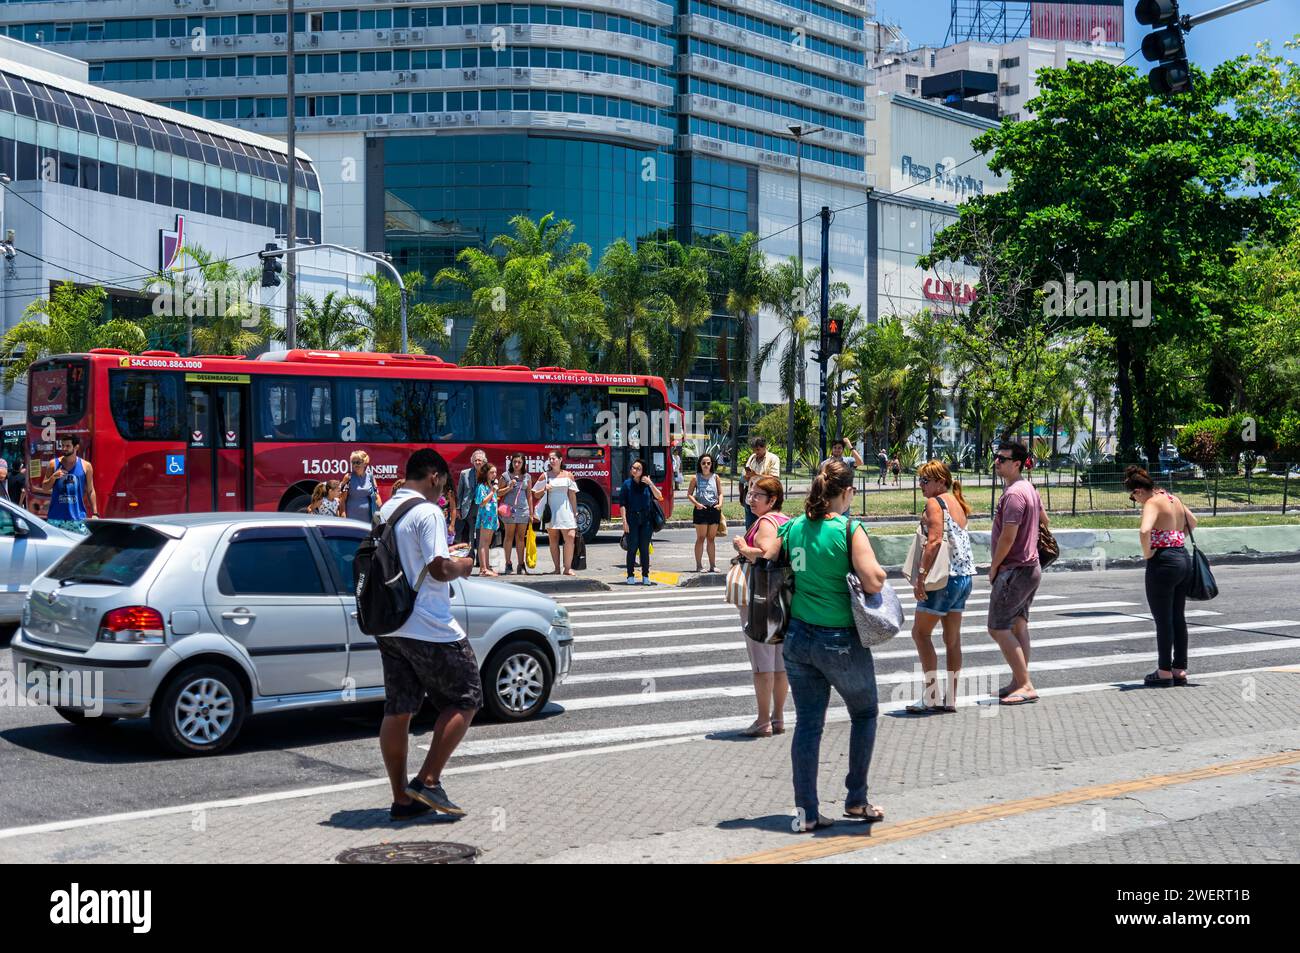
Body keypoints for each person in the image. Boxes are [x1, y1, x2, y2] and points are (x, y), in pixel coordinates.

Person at [760, 460, 888, 831]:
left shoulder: (796, 527)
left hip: (798, 638)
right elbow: (873, 581)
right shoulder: (849, 528)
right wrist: (878, 572)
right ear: (846, 492)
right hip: (839, 639)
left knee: (808, 724)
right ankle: (857, 798)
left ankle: (806, 812)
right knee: (864, 712)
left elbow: (768, 556)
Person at [375, 448, 478, 821]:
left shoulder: (387, 509)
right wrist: (464, 564)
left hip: (389, 624)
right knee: (467, 697)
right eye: (444, 485)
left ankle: (401, 799)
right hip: (428, 624)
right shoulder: (428, 511)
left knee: (398, 708)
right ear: (434, 476)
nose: (442, 493)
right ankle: (428, 780)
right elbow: (438, 569)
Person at [905, 461, 976, 713]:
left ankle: (931, 695)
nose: (921, 485)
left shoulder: (935, 503)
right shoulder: (957, 502)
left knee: (920, 634)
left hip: (944, 578)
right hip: (964, 576)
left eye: (925, 480)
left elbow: (934, 542)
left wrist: (921, 577)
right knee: (952, 640)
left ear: (940, 482)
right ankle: (950, 698)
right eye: (920, 480)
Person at [730, 475, 791, 737]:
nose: (751, 499)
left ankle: (762, 720)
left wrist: (744, 547)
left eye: (757, 496)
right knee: (779, 663)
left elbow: (766, 552)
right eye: (750, 494)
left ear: (772, 500)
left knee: (762, 662)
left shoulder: (765, 522)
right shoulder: (787, 521)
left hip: (761, 595)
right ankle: (778, 717)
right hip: (784, 593)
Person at [987, 441, 1046, 706]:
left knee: (997, 627)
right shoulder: (1029, 489)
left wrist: (994, 566)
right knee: (1018, 625)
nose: (997, 462)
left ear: (1017, 464)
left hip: (1015, 568)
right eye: (996, 457)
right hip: (1030, 567)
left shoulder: (1013, 495)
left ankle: (1024, 684)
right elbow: (1045, 520)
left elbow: (1008, 537)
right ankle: (1018, 680)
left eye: (1002, 459)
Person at [1128, 466, 1196, 687]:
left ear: (1139, 490)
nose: (1135, 501)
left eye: (1132, 496)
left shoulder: (1151, 503)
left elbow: (1144, 531)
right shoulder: (1172, 498)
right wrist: (1175, 539)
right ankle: (1179, 669)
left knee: (1163, 619)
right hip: (1182, 558)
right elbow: (1193, 522)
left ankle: (1164, 671)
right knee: (1178, 616)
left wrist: (1148, 553)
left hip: (1163, 562)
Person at [533, 451, 578, 575]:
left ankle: (567, 568)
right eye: (550, 459)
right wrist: (544, 488)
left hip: (566, 509)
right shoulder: (545, 476)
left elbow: (572, 495)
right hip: (551, 510)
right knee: (553, 539)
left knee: (570, 536)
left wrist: (575, 512)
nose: (552, 460)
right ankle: (557, 568)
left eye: (554, 458)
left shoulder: (569, 475)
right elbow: (535, 494)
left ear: (560, 460)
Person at [621, 458, 664, 585]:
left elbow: (659, 496)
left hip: (646, 520)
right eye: (633, 468)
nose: (634, 470)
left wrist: (651, 483)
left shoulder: (647, 484)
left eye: (637, 468)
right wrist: (624, 521)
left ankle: (645, 576)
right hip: (632, 519)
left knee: (644, 548)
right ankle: (630, 576)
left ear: (643, 471)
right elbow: (622, 504)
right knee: (632, 548)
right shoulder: (626, 484)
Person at [43, 434, 97, 529]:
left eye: (68, 446)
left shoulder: (86, 466)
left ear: (76, 447)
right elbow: (45, 488)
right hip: (56, 519)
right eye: (62, 445)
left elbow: (90, 490)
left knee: (80, 543)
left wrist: (95, 513)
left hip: (78, 518)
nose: (64, 448)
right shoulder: (53, 464)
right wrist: (54, 477)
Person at [688, 453, 723, 573]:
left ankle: (712, 565)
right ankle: (699, 566)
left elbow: (720, 493)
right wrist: (696, 504)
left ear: (712, 464)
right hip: (700, 510)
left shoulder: (716, 477)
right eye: (703, 463)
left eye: (708, 463)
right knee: (701, 538)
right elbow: (689, 494)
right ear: (700, 465)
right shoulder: (695, 477)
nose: (706, 465)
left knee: (711, 539)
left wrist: (720, 504)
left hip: (714, 509)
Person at [499, 452, 533, 575]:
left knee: (520, 538)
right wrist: (509, 487)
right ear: (511, 463)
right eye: (515, 462)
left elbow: (529, 495)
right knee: (508, 536)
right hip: (509, 510)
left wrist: (531, 512)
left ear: (523, 463)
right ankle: (508, 563)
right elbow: (497, 493)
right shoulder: (505, 476)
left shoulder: (527, 477)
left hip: (523, 510)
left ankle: (521, 564)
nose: (517, 464)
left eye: (519, 462)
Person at [743, 437, 780, 530]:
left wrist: (757, 475)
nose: (756, 452)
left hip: (765, 501)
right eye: (754, 450)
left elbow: (775, 478)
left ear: (764, 447)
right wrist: (747, 476)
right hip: (751, 499)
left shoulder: (773, 458)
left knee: (765, 529)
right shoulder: (752, 458)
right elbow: (746, 478)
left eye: (758, 449)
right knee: (750, 530)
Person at [820, 437, 864, 514]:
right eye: (835, 448)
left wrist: (849, 446)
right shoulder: (825, 463)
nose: (837, 450)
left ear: (843, 449)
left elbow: (860, 462)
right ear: (832, 449)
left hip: (844, 498)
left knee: (843, 523)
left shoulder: (848, 461)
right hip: (830, 498)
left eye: (839, 448)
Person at [474, 462, 501, 577]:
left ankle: (487, 566)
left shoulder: (491, 486)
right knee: (483, 542)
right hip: (485, 517)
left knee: (488, 543)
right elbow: (482, 502)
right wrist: (493, 491)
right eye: (491, 472)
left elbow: (494, 503)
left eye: (495, 472)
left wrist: (497, 518)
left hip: (492, 517)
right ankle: (483, 569)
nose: (494, 475)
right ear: (485, 474)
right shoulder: (482, 486)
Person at [454, 449, 486, 546]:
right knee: (470, 535)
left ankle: (480, 560)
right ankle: (470, 556)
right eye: (475, 460)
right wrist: (458, 508)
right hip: (468, 508)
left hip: (482, 507)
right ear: (472, 461)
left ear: (484, 461)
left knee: (481, 535)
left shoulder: (487, 473)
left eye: (479, 460)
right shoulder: (465, 473)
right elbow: (460, 492)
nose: (477, 462)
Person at [340, 450, 382, 523]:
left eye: (358, 462)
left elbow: (376, 495)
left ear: (365, 463)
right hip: (351, 517)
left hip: (368, 517)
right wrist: (343, 514)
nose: (355, 465)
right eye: (353, 462)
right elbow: (342, 499)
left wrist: (379, 512)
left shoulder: (371, 477)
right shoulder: (348, 477)